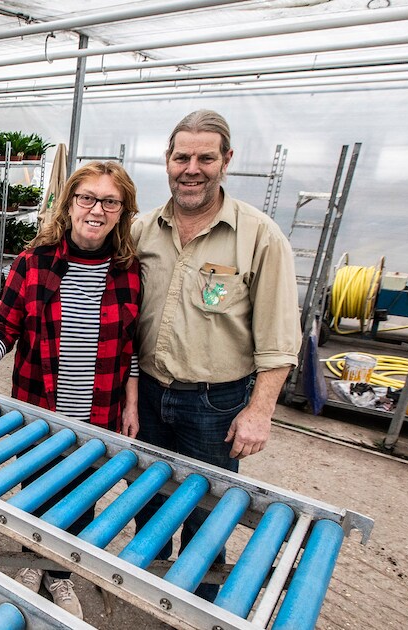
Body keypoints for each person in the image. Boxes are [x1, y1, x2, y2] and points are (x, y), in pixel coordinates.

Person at [0, 160, 142, 618]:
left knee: (81, 500)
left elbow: (132, 345)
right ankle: (33, 566)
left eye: (109, 201)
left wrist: (131, 404)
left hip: (99, 416)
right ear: (70, 203)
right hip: (39, 410)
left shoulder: (129, 270)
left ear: (122, 211)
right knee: (36, 490)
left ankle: (60, 576)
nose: (96, 209)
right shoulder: (34, 262)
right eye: (87, 198)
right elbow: (2, 326)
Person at [131, 109, 301, 599]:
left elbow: (279, 339)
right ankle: (149, 584)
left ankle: (198, 603)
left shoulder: (259, 236)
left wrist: (260, 411)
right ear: (167, 160)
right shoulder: (143, 230)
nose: (192, 168)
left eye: (206, 157)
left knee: (209, 510)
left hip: (215, 403)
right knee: (149, 497)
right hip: (147, 393)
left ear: (227, 160)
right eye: (182, 156)